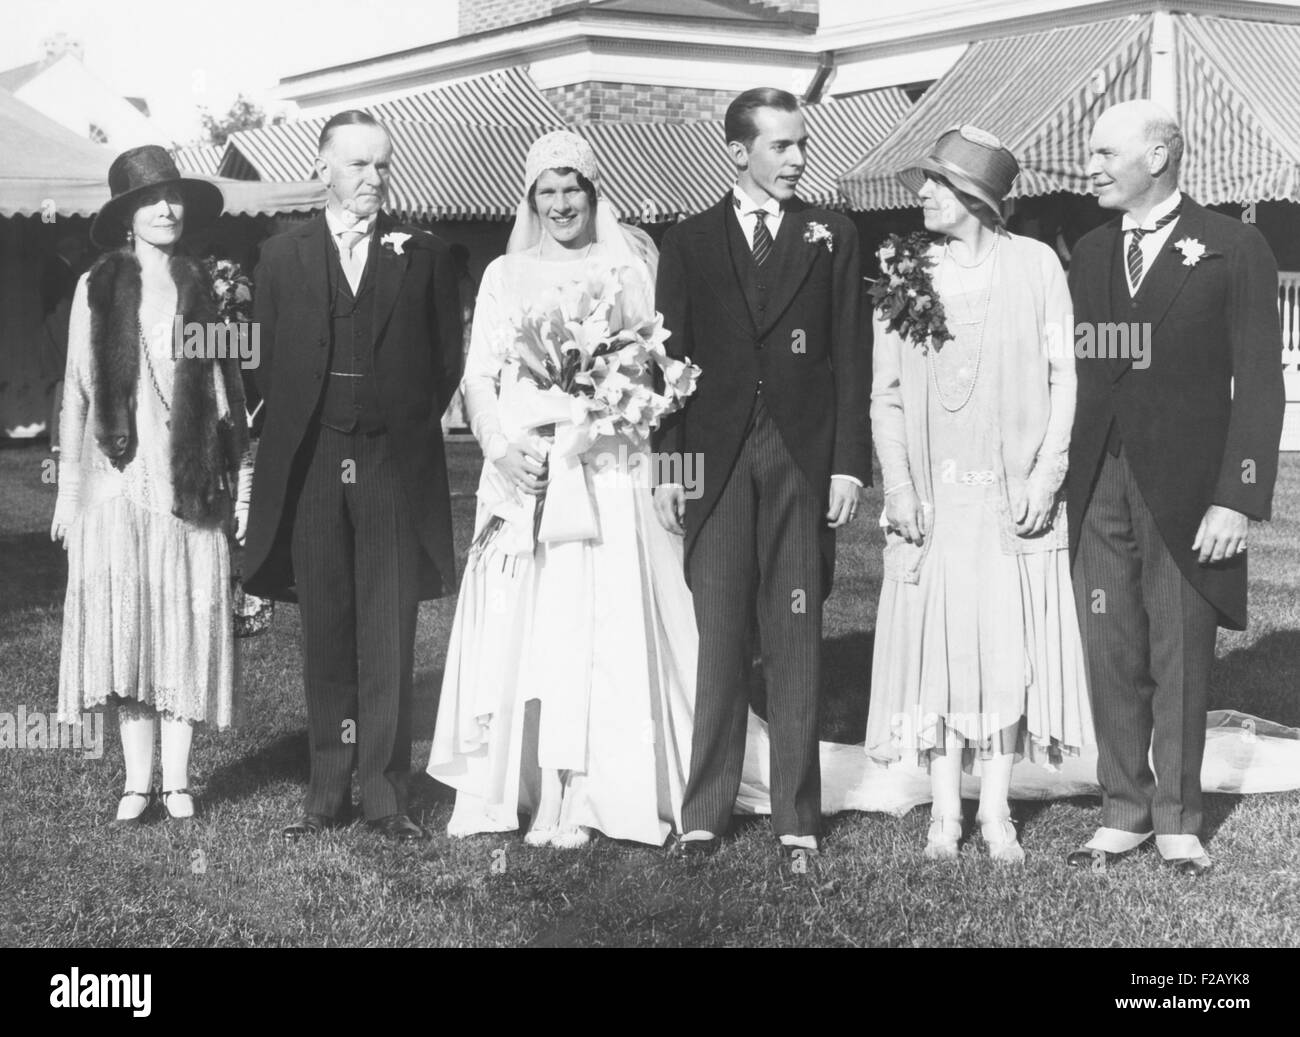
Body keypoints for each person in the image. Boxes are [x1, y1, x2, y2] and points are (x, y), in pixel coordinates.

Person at [427, 130, 696, 848]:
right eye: (545, 191)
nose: (559, 204)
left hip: (606, 471)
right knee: (535, 625)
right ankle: (536, 784)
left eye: (571, 188)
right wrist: (503, 446)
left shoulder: (626, 266)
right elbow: (479, 376)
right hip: (526, 475)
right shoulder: (502, 275)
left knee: (599, 620)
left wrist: (604, 405)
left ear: (592, 190)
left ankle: (591, 787)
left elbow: (655, 370)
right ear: (528, 198)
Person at [1064, 100, 1285, 877]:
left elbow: (1260, 382)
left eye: (1103, 152)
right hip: (1096, 480)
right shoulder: (1089, 250)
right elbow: (1091, 367)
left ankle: (1179, 819)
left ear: (1158, 157)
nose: (1088, 164)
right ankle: (1122, 810)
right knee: (1110, 645)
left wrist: (1238, 495)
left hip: (1192, 490)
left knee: (1181, 652)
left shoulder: (1233, 245)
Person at [653, 88, 870, 859]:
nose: (799, 159)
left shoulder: (833, 234)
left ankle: (797, 818)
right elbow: (666, 366)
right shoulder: (688, 242)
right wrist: (672, 469)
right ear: (737, 151)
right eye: (782, 146)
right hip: (713, 463)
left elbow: (852, 354)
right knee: (720, 639)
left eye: (802, 144)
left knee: (796, 638)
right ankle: (705, 809)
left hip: (801, 461)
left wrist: (848, 465)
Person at [864, 126, 1091, 863]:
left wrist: (1046, 473)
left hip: (1010, 495)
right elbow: (886, 396)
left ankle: (994, 806)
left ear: (974, 197)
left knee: (1002, 646)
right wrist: (898, 486)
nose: (922, 194)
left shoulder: (1035, 268)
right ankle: (943, 809)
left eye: (935, 182)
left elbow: (1066, 376)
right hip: (934, 498)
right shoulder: (906, 271)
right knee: (940, 647)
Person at [242, 111, 463, 843]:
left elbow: (443, 363)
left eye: (383, 165)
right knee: (327, 622)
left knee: (390, 625)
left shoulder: (423, 253)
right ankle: (326, 790)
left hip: (391, 462)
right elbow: (268, 360)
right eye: (359, 165)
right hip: (310, 462)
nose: (373, 179)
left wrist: (390, 416)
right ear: (324, 168)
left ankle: (385, 795)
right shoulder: (281, 255)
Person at [51, 145, 248, 823]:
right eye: (150, 198)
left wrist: (237, 483)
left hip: (187, 481)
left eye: (174, 196)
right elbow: (76, 390)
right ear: (127, 215)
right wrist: (66, 488)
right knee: (130, 627)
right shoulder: (97, 287)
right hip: (117, 480)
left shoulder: (204, 287)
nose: (166, 207)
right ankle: (137, 781)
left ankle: (180, 780)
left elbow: (226, 392)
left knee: (185, 620)